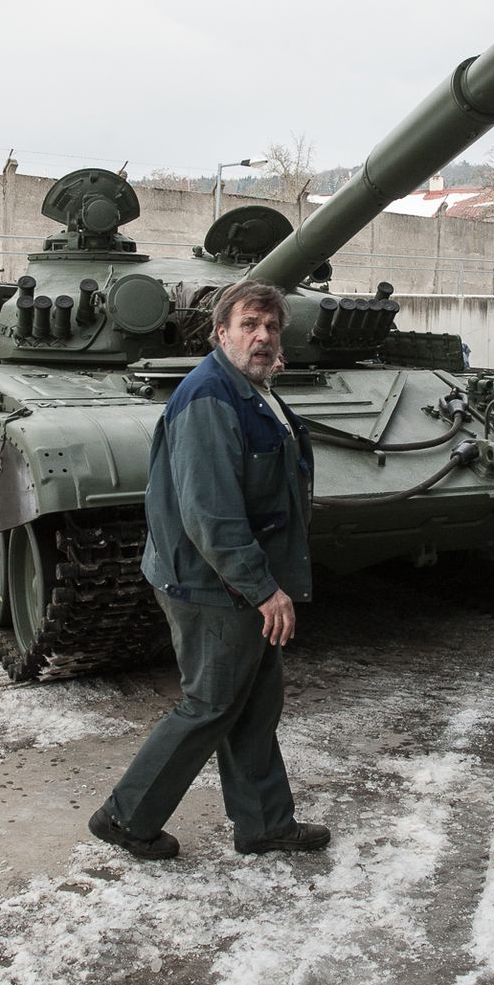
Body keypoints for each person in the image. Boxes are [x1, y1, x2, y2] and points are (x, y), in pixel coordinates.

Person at [89, 281, 331, 861]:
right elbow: (211, 513)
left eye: (272, 327)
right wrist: (264, 589)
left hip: (237, 579)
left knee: (254, 704)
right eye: (249, 325)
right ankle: (126, 817)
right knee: (211, 704)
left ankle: (264, 822)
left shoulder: (252, 389)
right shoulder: (208, 398)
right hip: (211, 582)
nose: (264, 337)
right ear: (220, 333)